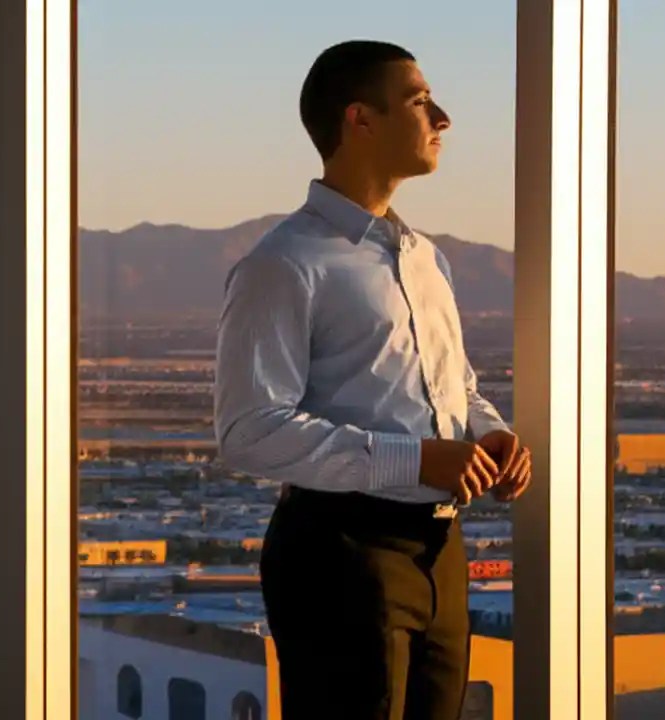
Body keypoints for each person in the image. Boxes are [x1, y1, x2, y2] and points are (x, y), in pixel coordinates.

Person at [213, 40, 533, 720]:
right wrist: (416, 459)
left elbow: (456, 385)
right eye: (420, 102)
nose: (442, 118)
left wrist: (491, 434)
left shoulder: (425, 258)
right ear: (360, 119)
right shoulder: (284, 264)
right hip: (340, 554)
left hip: (442, 550)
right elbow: (248, 430)